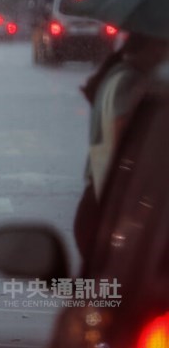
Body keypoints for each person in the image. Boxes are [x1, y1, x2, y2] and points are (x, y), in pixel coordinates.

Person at [73, 32, 169, 261]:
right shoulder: (128, 81)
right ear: (151, 47)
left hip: (101, 202)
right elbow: (125, 142)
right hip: (110, 209)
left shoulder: (118, 75)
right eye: (163, 48)